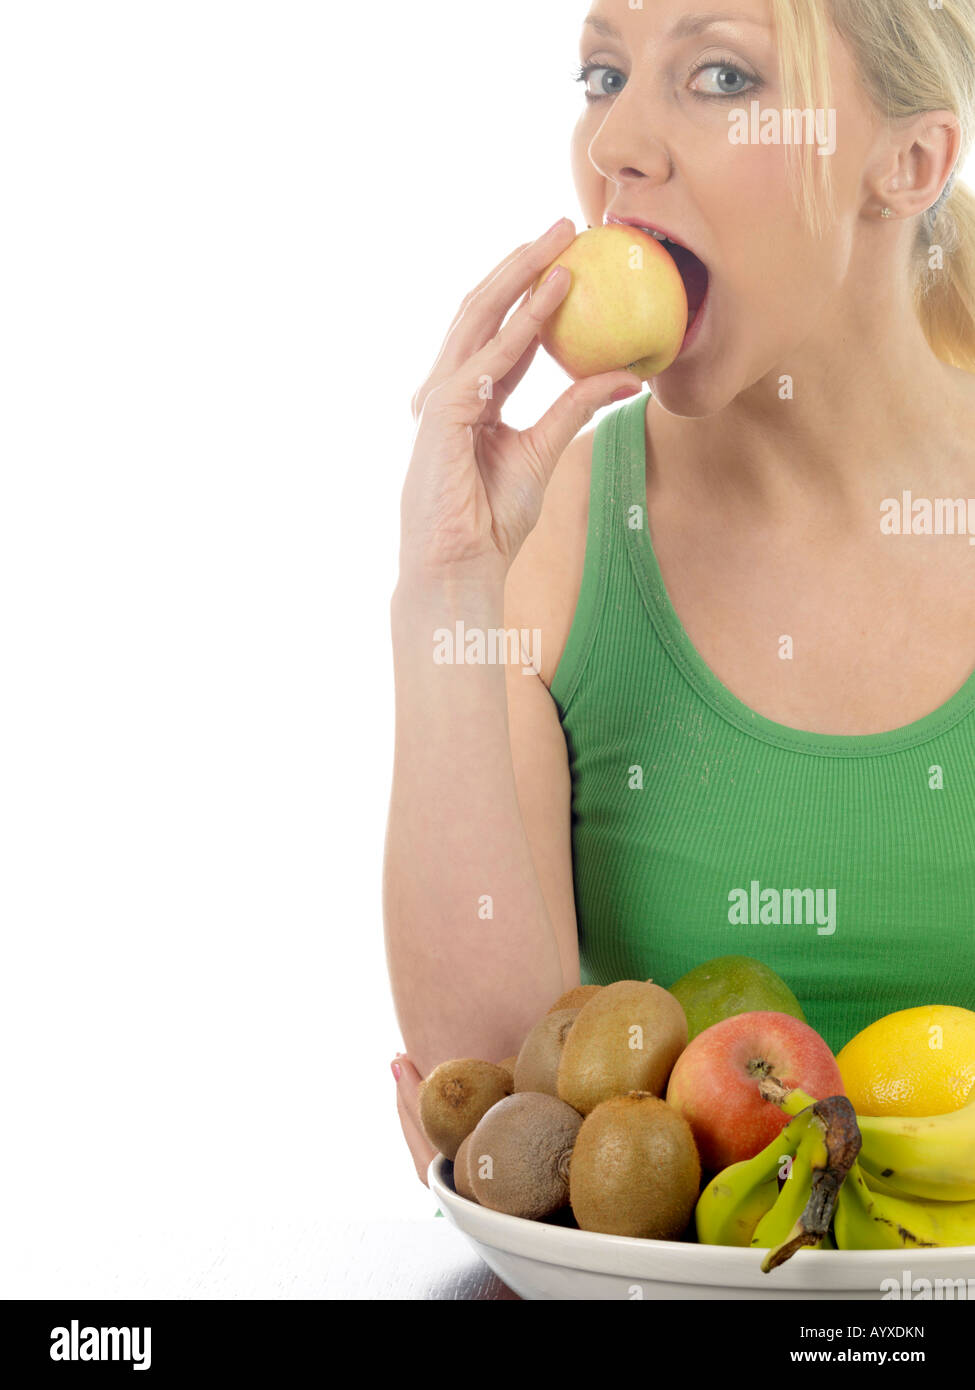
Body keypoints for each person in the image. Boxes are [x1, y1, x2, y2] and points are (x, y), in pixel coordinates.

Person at [384, 0, 975, 1186]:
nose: (616, 147)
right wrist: (448, 585)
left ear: (910, 161)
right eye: (603, 76)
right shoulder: (555, 546)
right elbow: (517, 1134)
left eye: (717, 76)